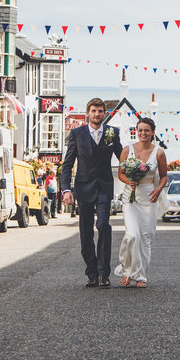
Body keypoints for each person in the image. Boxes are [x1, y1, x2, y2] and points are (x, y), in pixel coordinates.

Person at [60, 98, 123, 288]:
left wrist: (136, 170)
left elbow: (122, 157)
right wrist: (66, 189)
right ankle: (92, 273)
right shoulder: (77, 134)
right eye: (94, 111)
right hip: (83, 188)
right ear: (88, 113)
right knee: (86, 232)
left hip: (104, 187)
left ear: (105, 113)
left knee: (103, 225)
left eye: (100, 111)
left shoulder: (112, 133)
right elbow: (67, 164)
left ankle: (104, 273)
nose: (97, 114)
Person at [115, 118, 168, 288]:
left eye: (147, 130)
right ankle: (127, 269)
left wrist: (158, 189)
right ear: (136, 131)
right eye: (140, 130)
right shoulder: (127, 150)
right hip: (130, 196)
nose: (143, 133)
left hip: (149, 197)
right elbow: (121, 173)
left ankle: (140, 276)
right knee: (132, 235)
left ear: (153, 132)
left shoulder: (159, 153)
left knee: (145, 237)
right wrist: (129, 181)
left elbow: (164, 176)